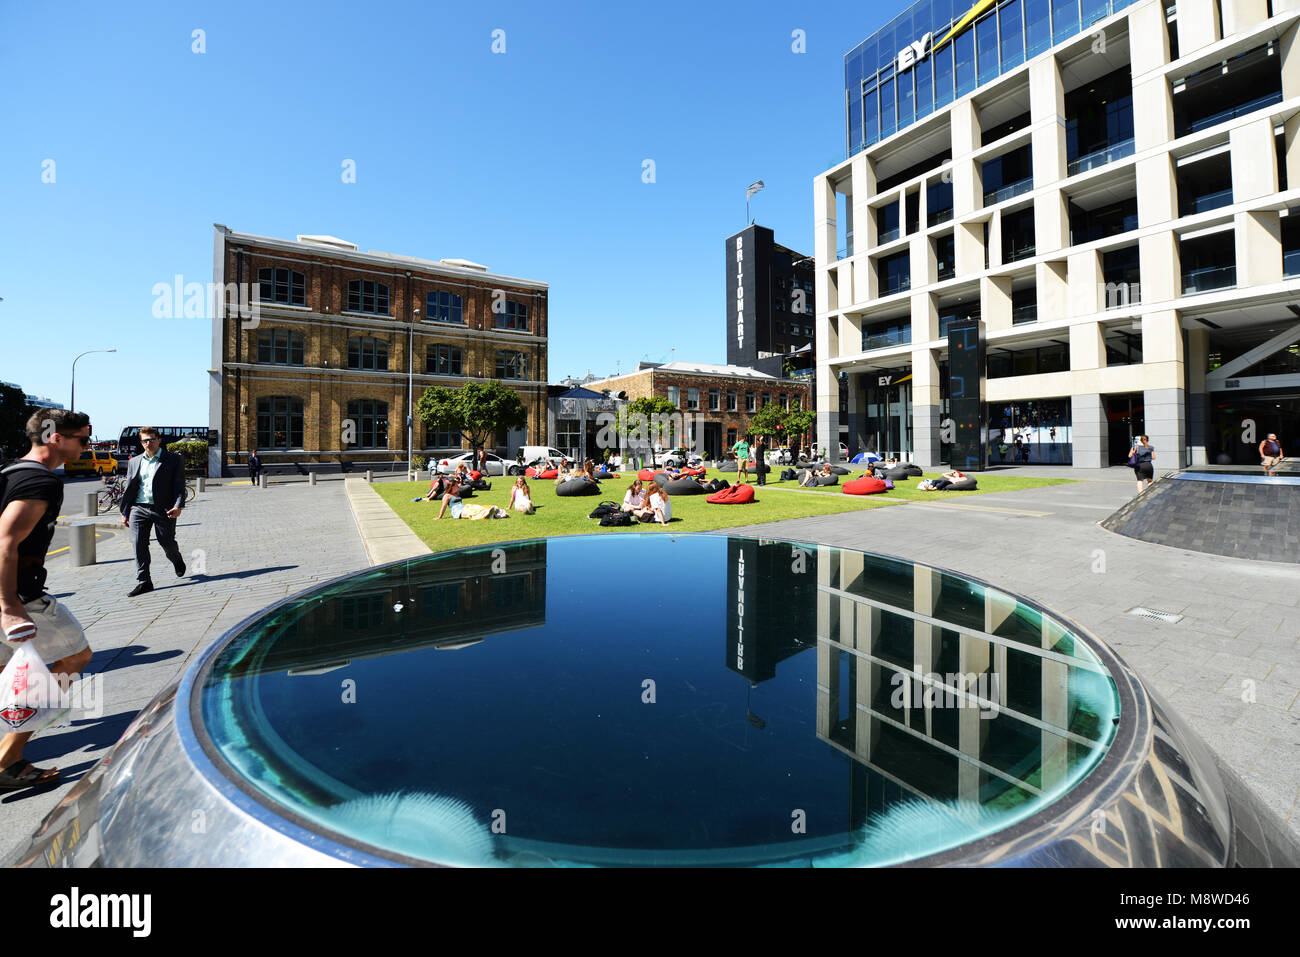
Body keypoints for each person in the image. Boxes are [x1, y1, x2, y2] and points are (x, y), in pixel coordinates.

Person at [0, 409, 95, 791]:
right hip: (21, 596)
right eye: (83, 439)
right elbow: (6, 541)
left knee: (8, 674)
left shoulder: (10, 471)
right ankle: (8, 759)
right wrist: (10, 607)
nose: (87, 448)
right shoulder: (40, 482)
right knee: (76, 657)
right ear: (56, 437)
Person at [120, 426, 187, 598]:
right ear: (141, 442)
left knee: (166, 542)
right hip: (138, 508)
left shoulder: (173, 459)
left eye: (151, 439)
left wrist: (178, 506)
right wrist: (125, 511)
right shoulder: (134, 461)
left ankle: (176, 559)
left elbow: (180, 486)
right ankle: (144, 582)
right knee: (137, 543)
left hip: (163, 508)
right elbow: (130, 488)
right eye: (144, 440)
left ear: (159, 440)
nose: (148, 443)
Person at [434, 481, 509, 520]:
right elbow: (443, 507)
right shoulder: (447, 496)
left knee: (477, 507)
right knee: (474, 513)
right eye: (456, 486)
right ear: (452, 487)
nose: (458, 487)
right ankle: (494, 514)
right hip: (458, 512)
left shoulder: (457, 493)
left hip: (465, 507)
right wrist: (440, 516)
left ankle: (497, 512)